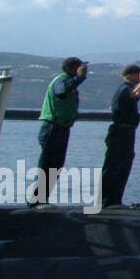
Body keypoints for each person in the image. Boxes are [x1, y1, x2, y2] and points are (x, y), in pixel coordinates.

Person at [29, 56, 88, 206]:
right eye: (78, 68)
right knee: (47, 164)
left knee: (56, 165)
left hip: (62, 128)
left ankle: (43, 198)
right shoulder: (60, 80)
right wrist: (80, 77)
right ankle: (36, 199)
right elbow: (61, 92)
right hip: (52, 128)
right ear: (70, 68)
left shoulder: (69, 83)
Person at [101, 64, 140, 207]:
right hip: (120, 132)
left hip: (127, 132)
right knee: (114, 165)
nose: (139, 77)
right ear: (129, 75)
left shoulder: (129, 90)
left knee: (124, 165)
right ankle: (105, 199)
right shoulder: (124, 89)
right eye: (137, 74)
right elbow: (135, 94)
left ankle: (114, 199)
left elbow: (137, 95)